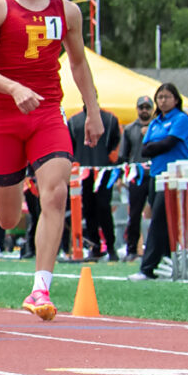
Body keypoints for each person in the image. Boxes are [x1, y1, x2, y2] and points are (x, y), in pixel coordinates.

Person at [0, 0, 103, 321]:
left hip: (46, 112)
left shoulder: (67, 10)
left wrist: (92, 111)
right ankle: (18, 196)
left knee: (56, 194)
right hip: (2, 115)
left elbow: (78, 63)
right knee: (8, 217)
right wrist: (13, 88)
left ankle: (41, 287)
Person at [129, 83, 188, 280]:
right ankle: (165, 263)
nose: (163, 101)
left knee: (158, 219)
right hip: (155, 175)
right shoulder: (156, 122)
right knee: (162, 220)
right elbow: (144, 150)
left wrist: (155, 146)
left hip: (172, 176)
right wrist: (157, 146)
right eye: (160, 97)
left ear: (176, 99)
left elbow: (169, 143)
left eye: (167, 97)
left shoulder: (181, 119)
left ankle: (147, 268)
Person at [68, 107, 122, 261]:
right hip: (83, 172)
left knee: (104, 208)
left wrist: (112, 159)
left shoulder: (110, 119)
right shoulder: (74, 121)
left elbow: (117, 141)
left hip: (103, 171)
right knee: (88, 209)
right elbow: (70, 145)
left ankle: (110, 246)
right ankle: (95, 246)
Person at [119, 95, 153, 261]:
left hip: (155, 174)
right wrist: (121, 177)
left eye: (147, 107)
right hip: (136, 175)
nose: (144, 110)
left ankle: (156, 248)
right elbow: (123, 155)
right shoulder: (129, 129)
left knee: (157, 212)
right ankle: (131, 248)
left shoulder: (157, 127)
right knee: (134, 213)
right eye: (142, 107)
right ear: (137, 109)